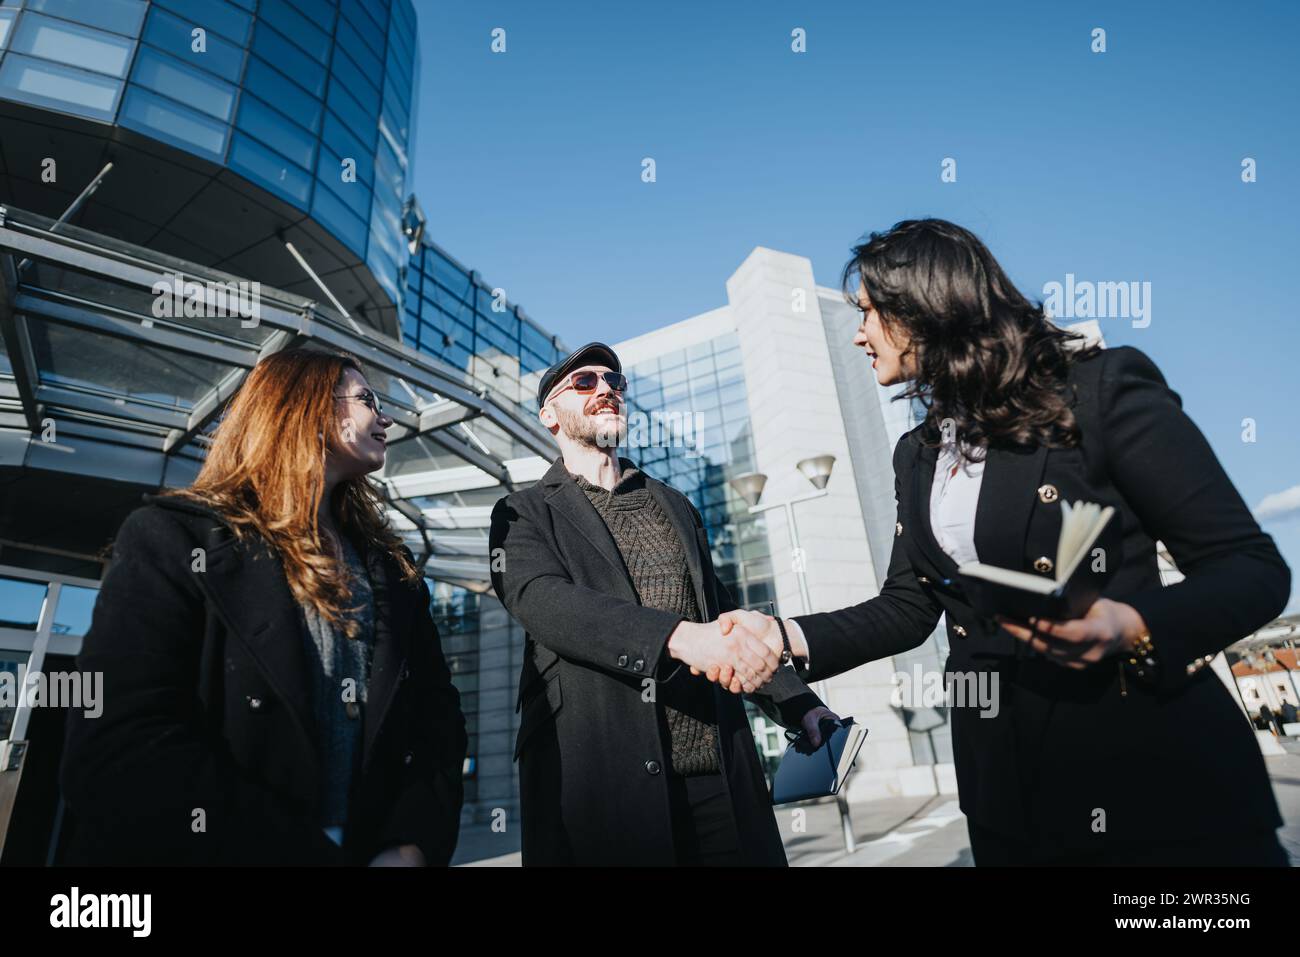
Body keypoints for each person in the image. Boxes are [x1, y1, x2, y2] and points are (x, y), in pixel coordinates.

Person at [718, 219, 1291, 866]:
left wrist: (1131, 625)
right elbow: (908, 606)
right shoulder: (918, 453)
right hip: (1008, 797)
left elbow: (1251, 567)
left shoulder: (1096, 391)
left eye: (871, 313)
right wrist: (783, 636)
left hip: (1151, 774)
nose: (859, 333)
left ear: (926, 307)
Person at [60, 350, 467, 865]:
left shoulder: (393, 569)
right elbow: (120, 742)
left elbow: (437, 720)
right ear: (306, 407)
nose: (386, 417)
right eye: (368, 399)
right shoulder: (171, 539)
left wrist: (410, 846)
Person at [489, 342, 835, 865]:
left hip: (717, 778)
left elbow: (722, 617)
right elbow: (547, 605)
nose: (605, 389)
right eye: (584, 382)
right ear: (549, 414)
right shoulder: (522, 513)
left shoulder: (673, 503)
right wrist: (677, 638)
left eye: (614, 381)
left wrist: (799, 703)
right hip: (606, 791)